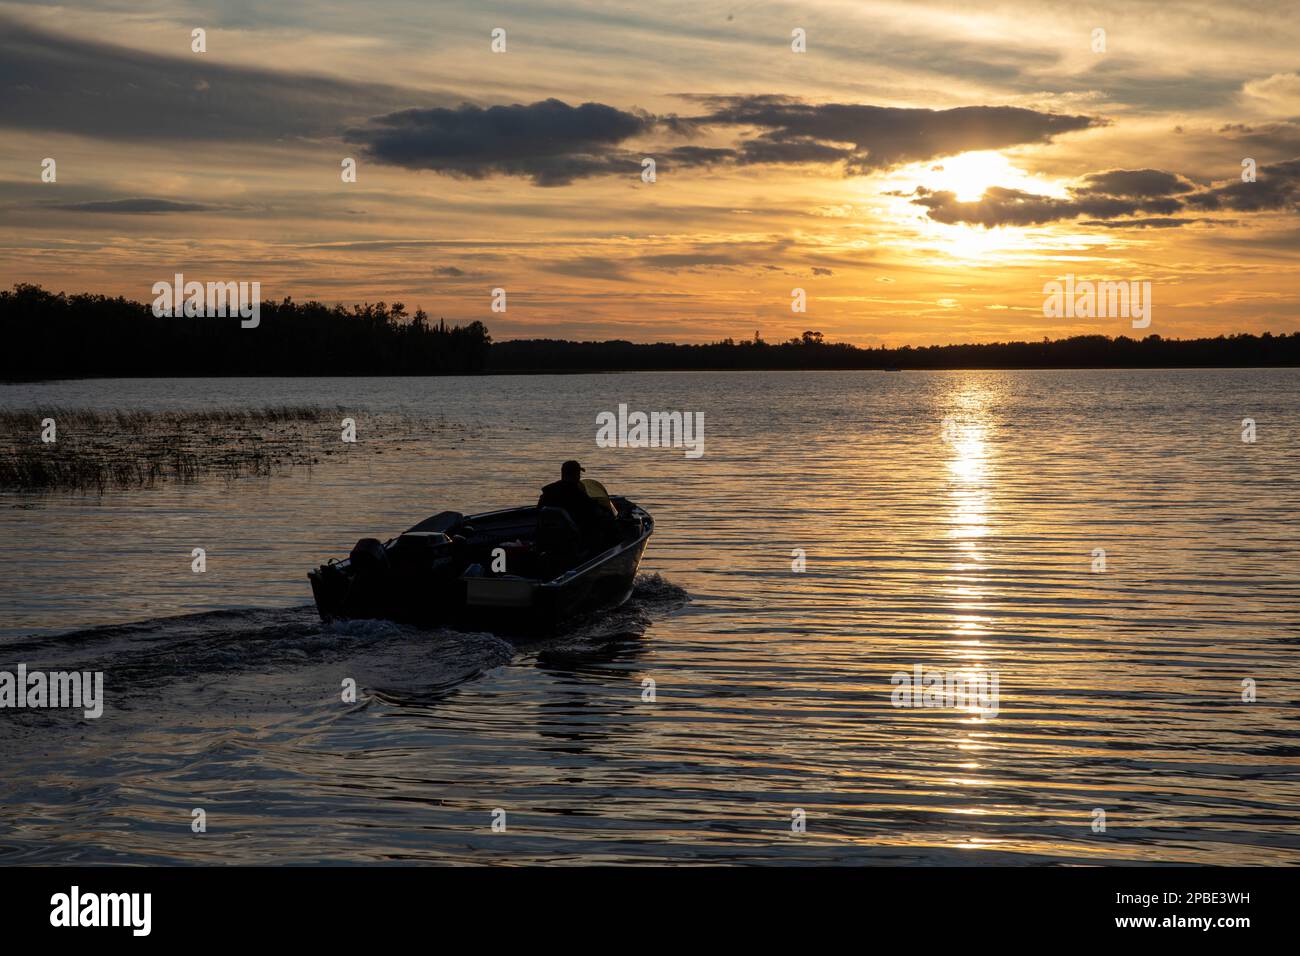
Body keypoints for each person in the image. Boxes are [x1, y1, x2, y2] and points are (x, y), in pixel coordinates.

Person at [538, 460, 612, 546]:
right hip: (573, 539)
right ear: (576, 475)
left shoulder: (548, 492)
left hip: (548, 538)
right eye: (578, 474)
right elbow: (593, 512)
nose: (579, 477)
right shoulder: (577, 494)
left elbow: (538, 511)